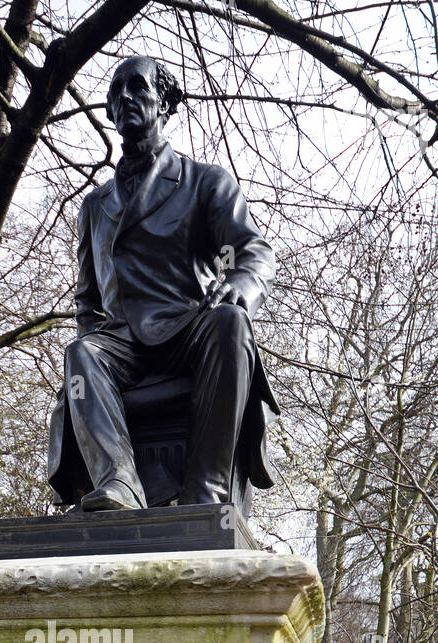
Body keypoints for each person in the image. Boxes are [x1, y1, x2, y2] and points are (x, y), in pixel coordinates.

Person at [48, 54, 279, 514]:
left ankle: (207, 490)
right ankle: (119, 483)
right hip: (121, 343)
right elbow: (87, 301)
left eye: (138, 87)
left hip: (186, 328)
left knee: (231, 323)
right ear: (110, 113)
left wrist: (238, 284)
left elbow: (246, 250)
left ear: (166, 103)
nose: (125, 98)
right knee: (81, 353)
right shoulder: (95, 206)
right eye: (116, 93)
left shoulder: (204, 182)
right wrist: (92, 340)